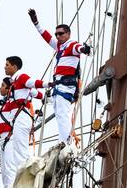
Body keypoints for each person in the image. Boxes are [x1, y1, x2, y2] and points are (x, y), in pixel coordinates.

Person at [29, 8, 91, 147]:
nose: (57, 36)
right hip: (59, 85)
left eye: (61, 34)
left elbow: (79, 48)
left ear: (68, 34)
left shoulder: (71, 45)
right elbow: (45, 36)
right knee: (59, 113)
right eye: (56, 34)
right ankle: (64, 140)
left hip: (66, 85)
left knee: (62, 113)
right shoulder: (60, 46)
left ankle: (66, 142)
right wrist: (36, 22)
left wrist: (85, 49)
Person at [0, 57, 44, 188]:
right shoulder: (8, 101)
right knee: (7, 170)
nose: (0, 88)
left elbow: (34, 89)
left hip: (10, 135)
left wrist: (49, 88)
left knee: (14, 162)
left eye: (2, 86)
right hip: (4, 138)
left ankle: (23, 183)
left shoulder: (20, 86)